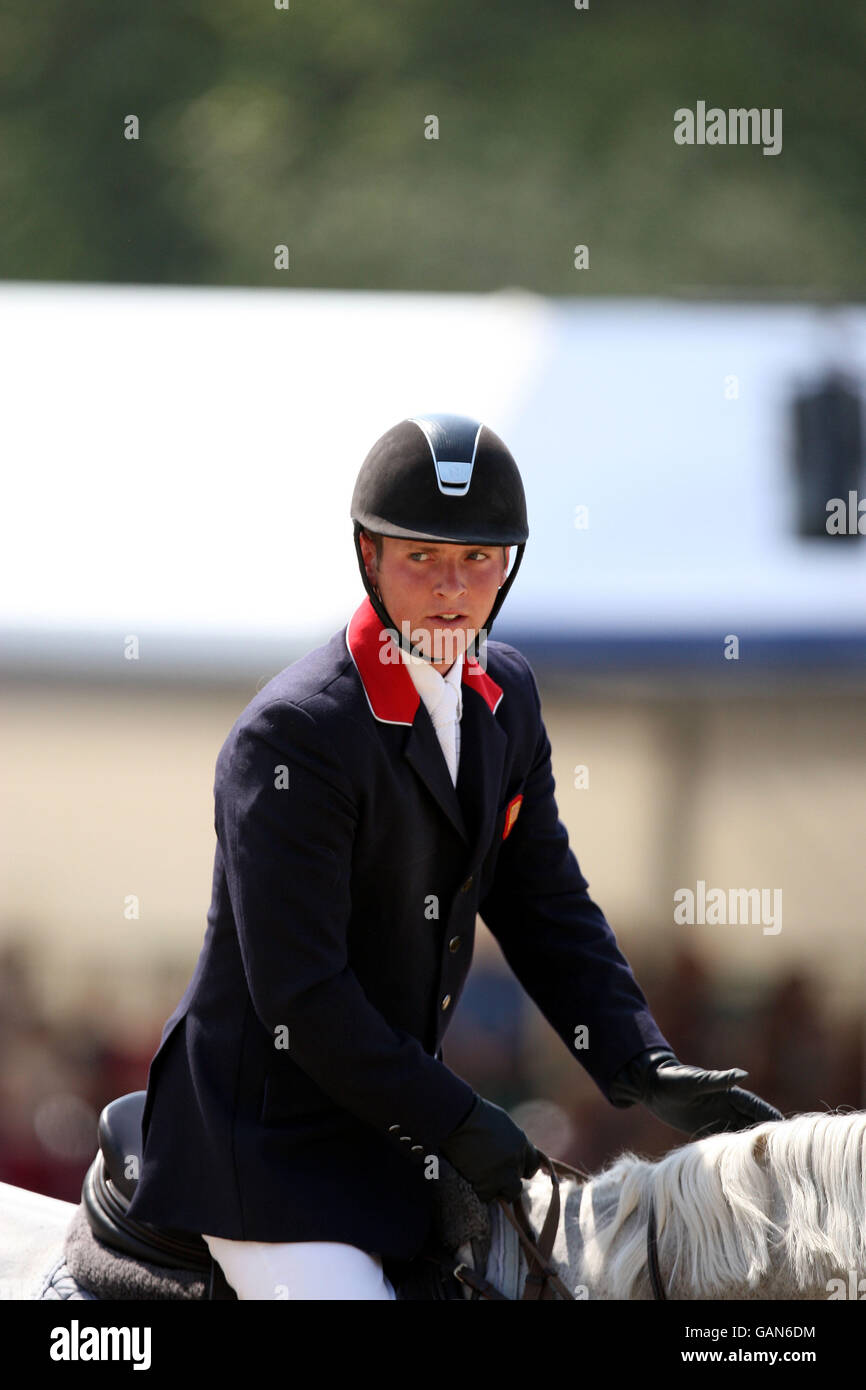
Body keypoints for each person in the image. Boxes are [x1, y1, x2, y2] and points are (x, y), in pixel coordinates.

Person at [125, 413, 781, 1299]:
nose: (451, 589)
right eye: (421, 558)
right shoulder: (294, 735)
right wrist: (462, 1118)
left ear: (509, 568)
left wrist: (641, 1066)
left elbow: (547, 904)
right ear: (368, 555)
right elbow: (303, 993)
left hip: (395, 1136)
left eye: (478, 560)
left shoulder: (507, 698)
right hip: (265, 1150)